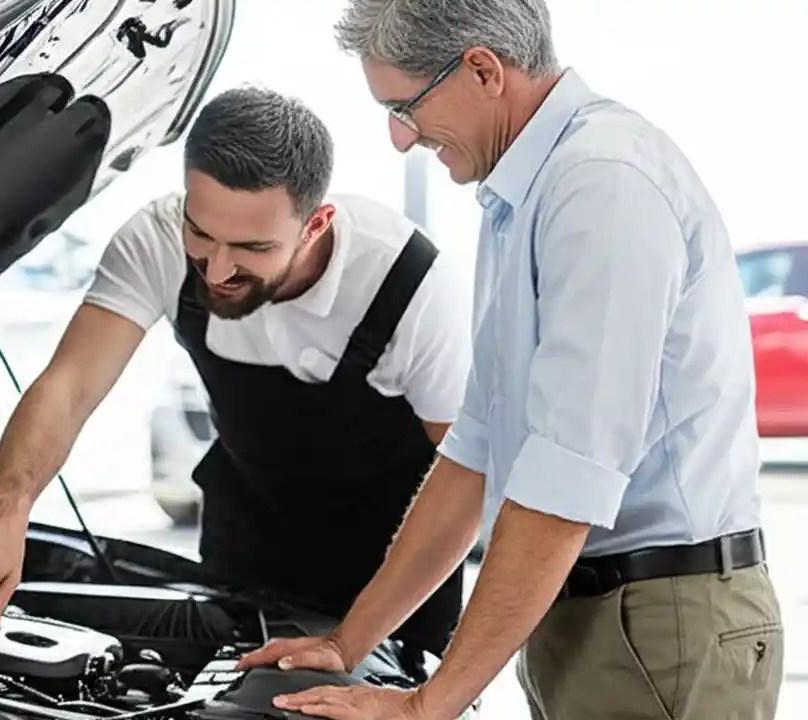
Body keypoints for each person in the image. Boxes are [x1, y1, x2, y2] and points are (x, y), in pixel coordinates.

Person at [236, 1, 784, 719]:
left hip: (660, 620)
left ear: (483, 70)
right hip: (586, 613)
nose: (400, 139)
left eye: (404, 106)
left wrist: (426, 705)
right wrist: (349, 641)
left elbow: (566, 478)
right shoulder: (522, 197)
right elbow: (477, 451)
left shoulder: (603, 184)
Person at [0, 85, 474, 661]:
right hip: (245, 545)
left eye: (251, 247)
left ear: (316, 226)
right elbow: (69, 386)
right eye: (201, 233)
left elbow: (465, 481)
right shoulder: (158, 239)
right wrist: (5, 507)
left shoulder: (410, 286)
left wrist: (351, 640)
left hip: (397, 569)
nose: (216, 270)